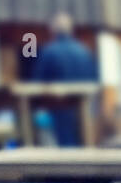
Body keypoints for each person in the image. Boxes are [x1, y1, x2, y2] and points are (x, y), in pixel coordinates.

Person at [31, 14, 99, 148]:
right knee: (85, 145)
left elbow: (38, 83)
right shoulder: (84, 51)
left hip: (60, 109)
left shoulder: (49, 52)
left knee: (65, 148)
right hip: (85, 108)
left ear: (53, 30)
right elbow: (94, 78)